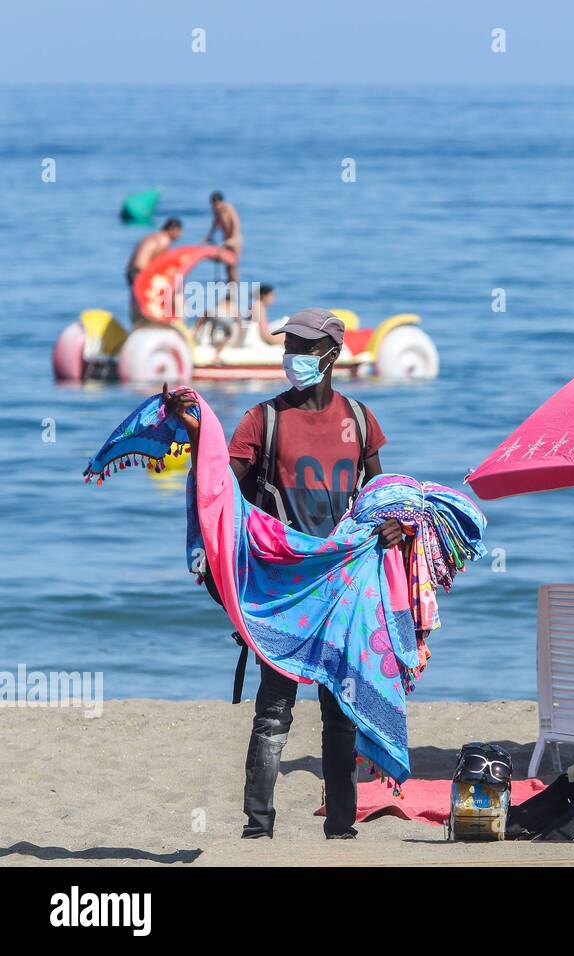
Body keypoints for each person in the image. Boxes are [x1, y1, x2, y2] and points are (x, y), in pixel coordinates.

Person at [163, 307, 405, 839]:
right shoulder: (262, 420)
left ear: (331, 356)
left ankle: (341, 826)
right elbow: (220, 491)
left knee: (341, 712)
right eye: (288, 346)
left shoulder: (361, 421)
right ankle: (258, 827)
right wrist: (196, 432)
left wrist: (391, 526)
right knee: (274, 710)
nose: (291, 357)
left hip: (344, 590)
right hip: (285, 592)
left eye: (302, 347)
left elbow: (380, 499)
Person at [126, 217, 182, 287]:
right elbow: (160, 263)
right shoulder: (164, 240)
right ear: (172, 229)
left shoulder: (152, 236)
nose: (180, 235)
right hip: (140, 273)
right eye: (179, 232)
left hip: (131, 272)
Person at [204, 191, 242, 283]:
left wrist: (232, 240)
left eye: (217, 204)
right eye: (213, 205)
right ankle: (230, 286)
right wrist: (208, 237)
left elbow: (236, 224)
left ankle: (235, 287)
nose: (216, 207)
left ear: (222, 202)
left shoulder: (229, 208)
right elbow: (214, 225)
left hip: (234, 239)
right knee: (227, 266)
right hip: (225, 239)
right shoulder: (216, 211)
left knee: (232, 266)